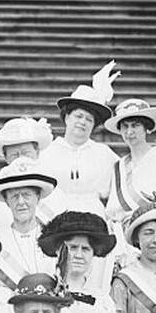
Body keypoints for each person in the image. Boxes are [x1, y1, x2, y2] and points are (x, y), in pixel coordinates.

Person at [37, 61, 121, 215]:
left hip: (94, 217)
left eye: (89, 119)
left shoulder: (104, 153)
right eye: (78, 116)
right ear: (67, 117)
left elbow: (117, 191)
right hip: (53, 216)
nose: (82, 122)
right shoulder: (47, 151)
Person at [0, 156, 59, 292]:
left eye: (26, 195)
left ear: (38, 197)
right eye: (14, 196)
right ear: (6, 202)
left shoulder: (54, 238)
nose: (21, 202)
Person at [0, 117, 68, 232]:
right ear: (5, 157)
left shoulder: (52, 189)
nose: (21, 159)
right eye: (14, 155)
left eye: (26, 153)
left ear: (37, 152)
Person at [103, 98, 156, 230]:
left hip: (155, 229)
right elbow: (112, 209)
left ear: (146, 128)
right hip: (124, 233)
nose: (129, 132)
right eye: (125, 126)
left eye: (135, 125)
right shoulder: (118, 166)